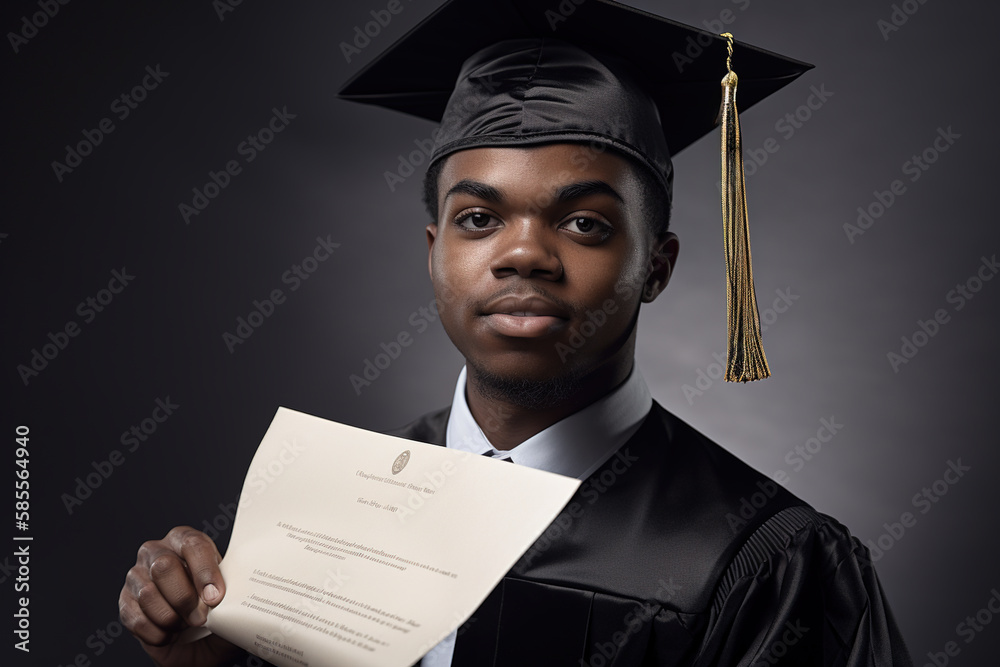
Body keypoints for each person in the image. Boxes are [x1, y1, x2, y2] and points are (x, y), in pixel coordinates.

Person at [119, 1, 914, 665]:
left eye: (583, 222)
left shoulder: (770, 561)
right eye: (478, 217)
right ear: (435, 254)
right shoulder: (331, 505)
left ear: (659, 267)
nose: (525, 252)